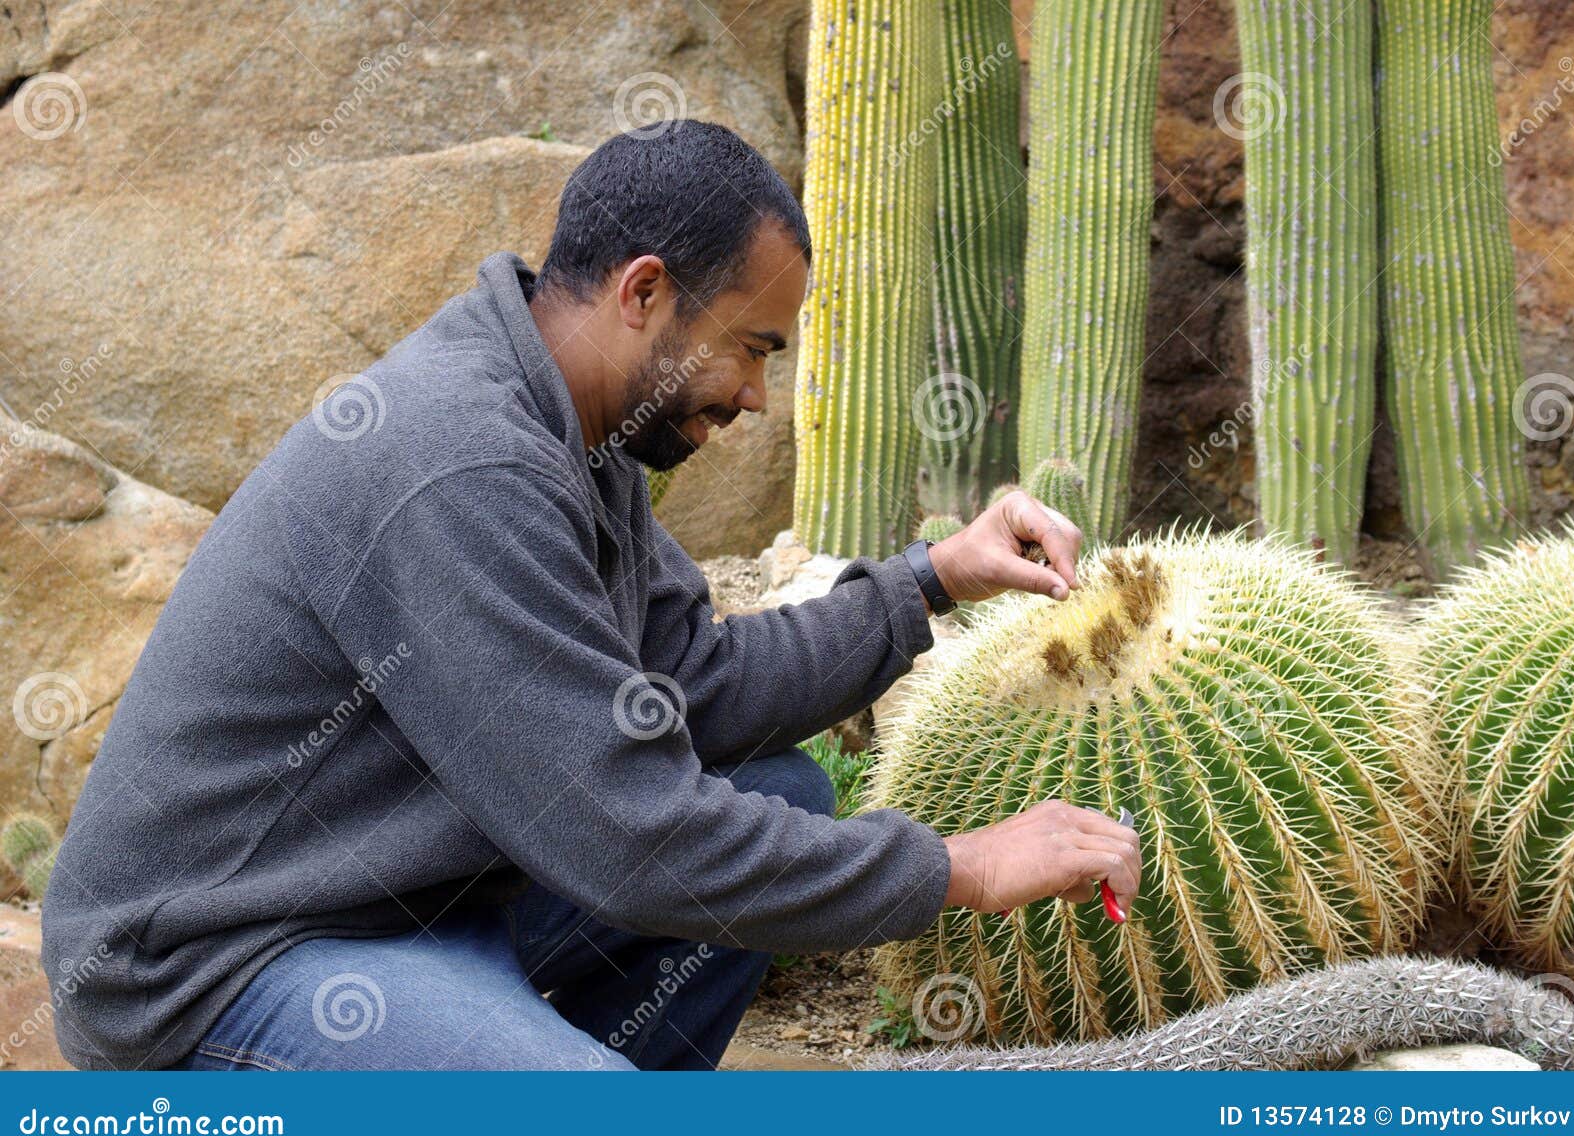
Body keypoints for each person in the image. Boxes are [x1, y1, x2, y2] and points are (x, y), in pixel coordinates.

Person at [42, 120, 1140, 1071]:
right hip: (222, 956)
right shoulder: (464, 461)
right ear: (644, 292)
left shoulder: (584, 434)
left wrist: (928, 580)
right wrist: (963, 865)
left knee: (785, 793)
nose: (758, 396)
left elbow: (690, 691)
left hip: (410, 895)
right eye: (750, 349)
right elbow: (627, 834)